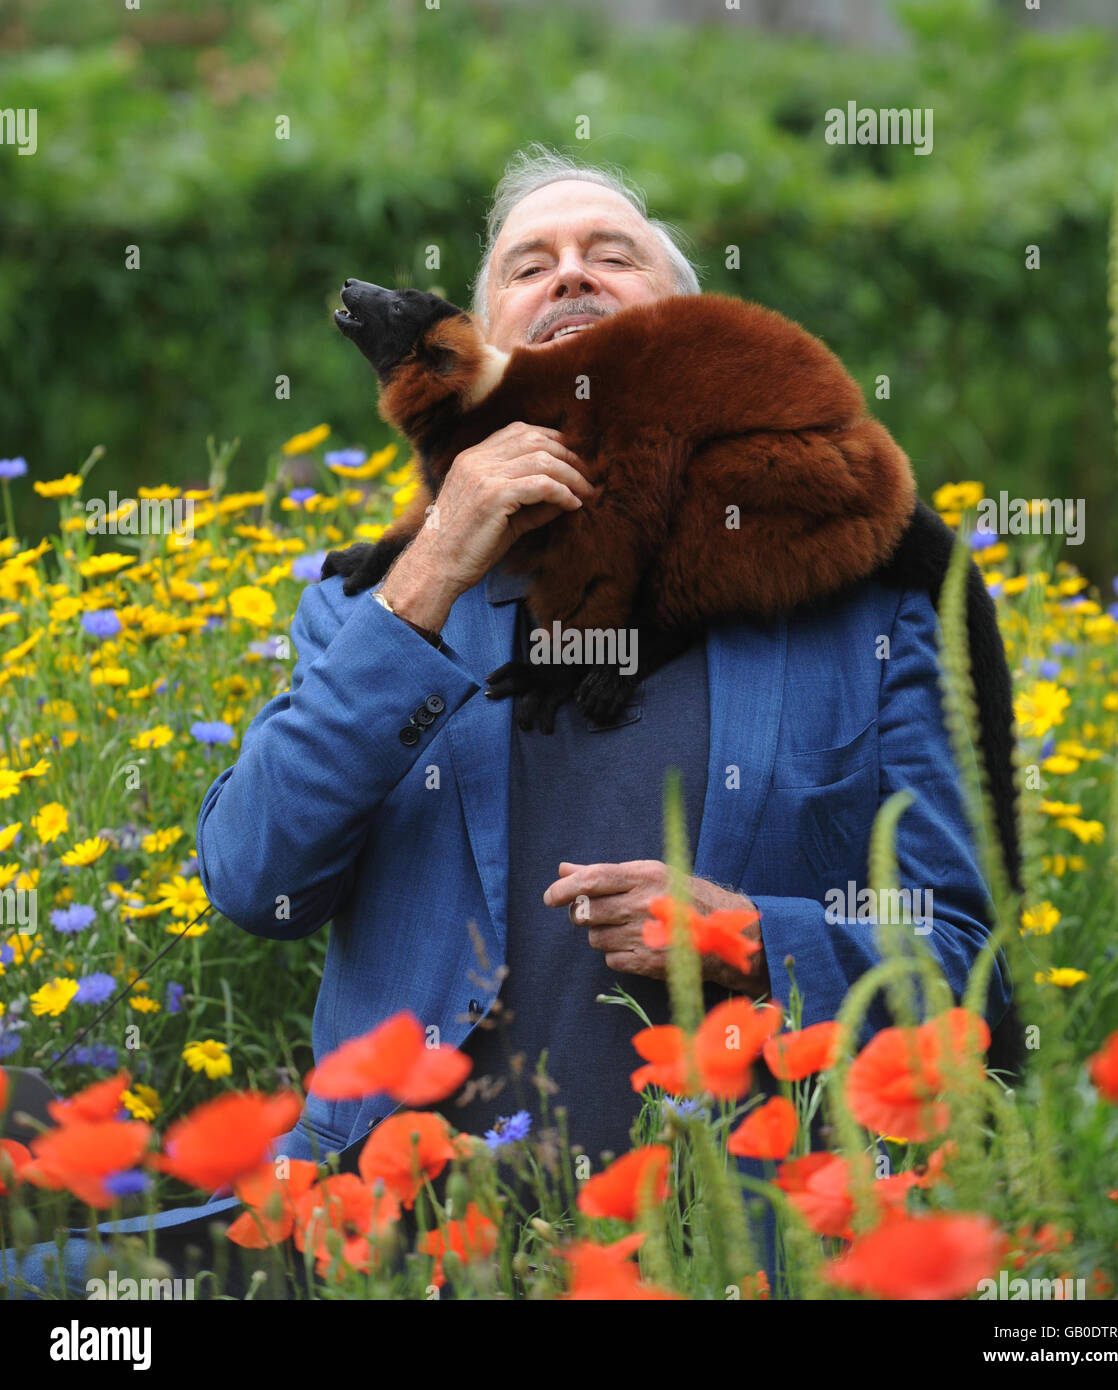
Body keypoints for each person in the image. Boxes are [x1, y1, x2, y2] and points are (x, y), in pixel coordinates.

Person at [4, 144, 1010, 1297]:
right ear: (480, 354)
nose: (570, 274)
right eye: (529, 264)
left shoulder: (861, 600)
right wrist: (432, 562)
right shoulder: (372, 601)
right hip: (404, 1243)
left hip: (731, 1249)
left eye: (611, 254)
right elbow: (250, 878)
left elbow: (959, 959)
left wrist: (751, 939)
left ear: (694, 331)